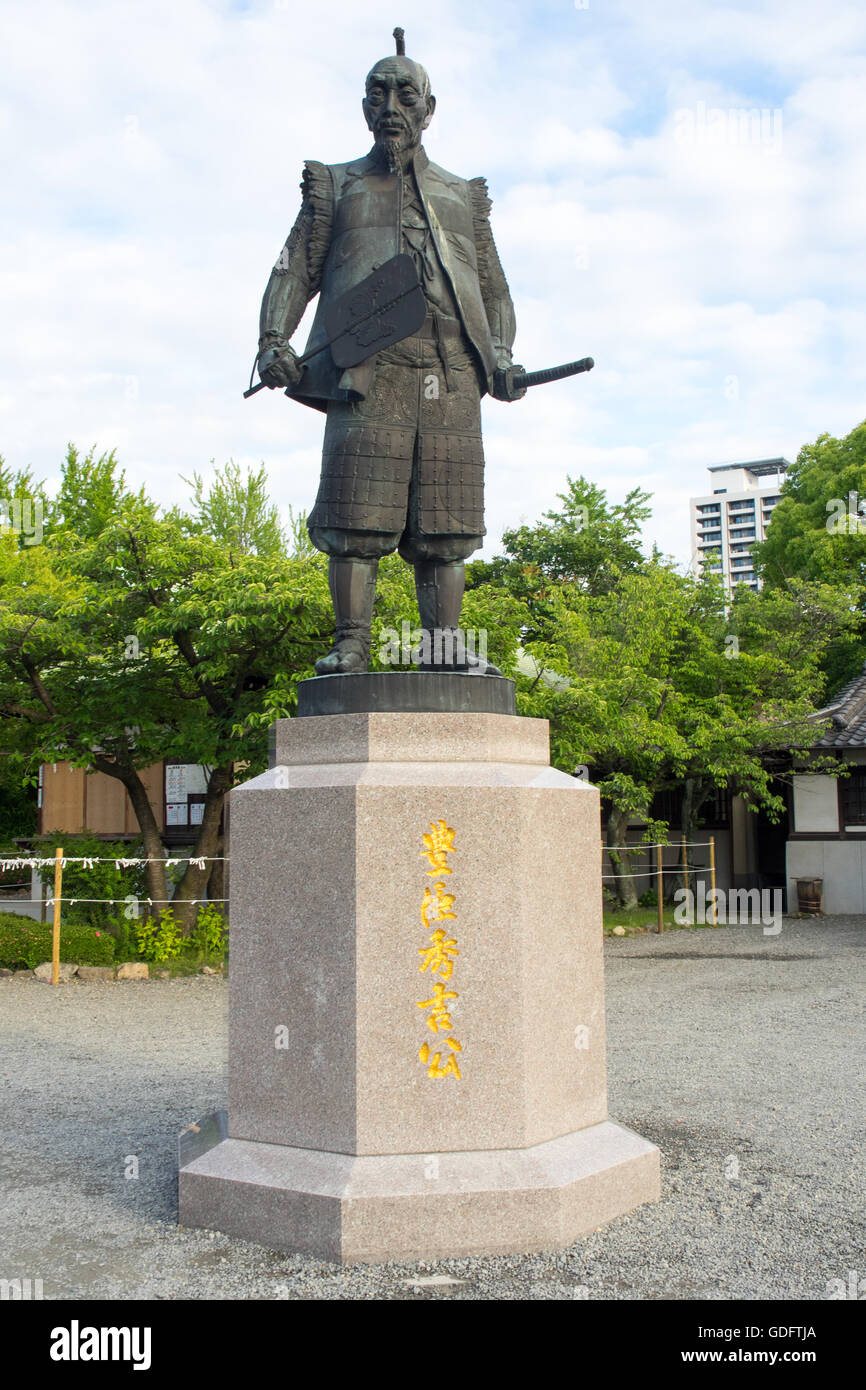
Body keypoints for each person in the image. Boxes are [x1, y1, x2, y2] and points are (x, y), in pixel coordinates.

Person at [256, 28, 525, 675]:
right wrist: (273, 338)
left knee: (446, 523)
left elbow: (493, 291)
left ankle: (443, 647)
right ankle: (351, 643)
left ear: (430, 109)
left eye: (407, 93)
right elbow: (294, 268)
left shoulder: (464, 197)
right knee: (355, 517)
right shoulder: (338, 186)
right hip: (367, 372)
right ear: (364, 107)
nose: (392, 105)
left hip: (453, 372)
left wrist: (503, 355)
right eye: (379, 92)